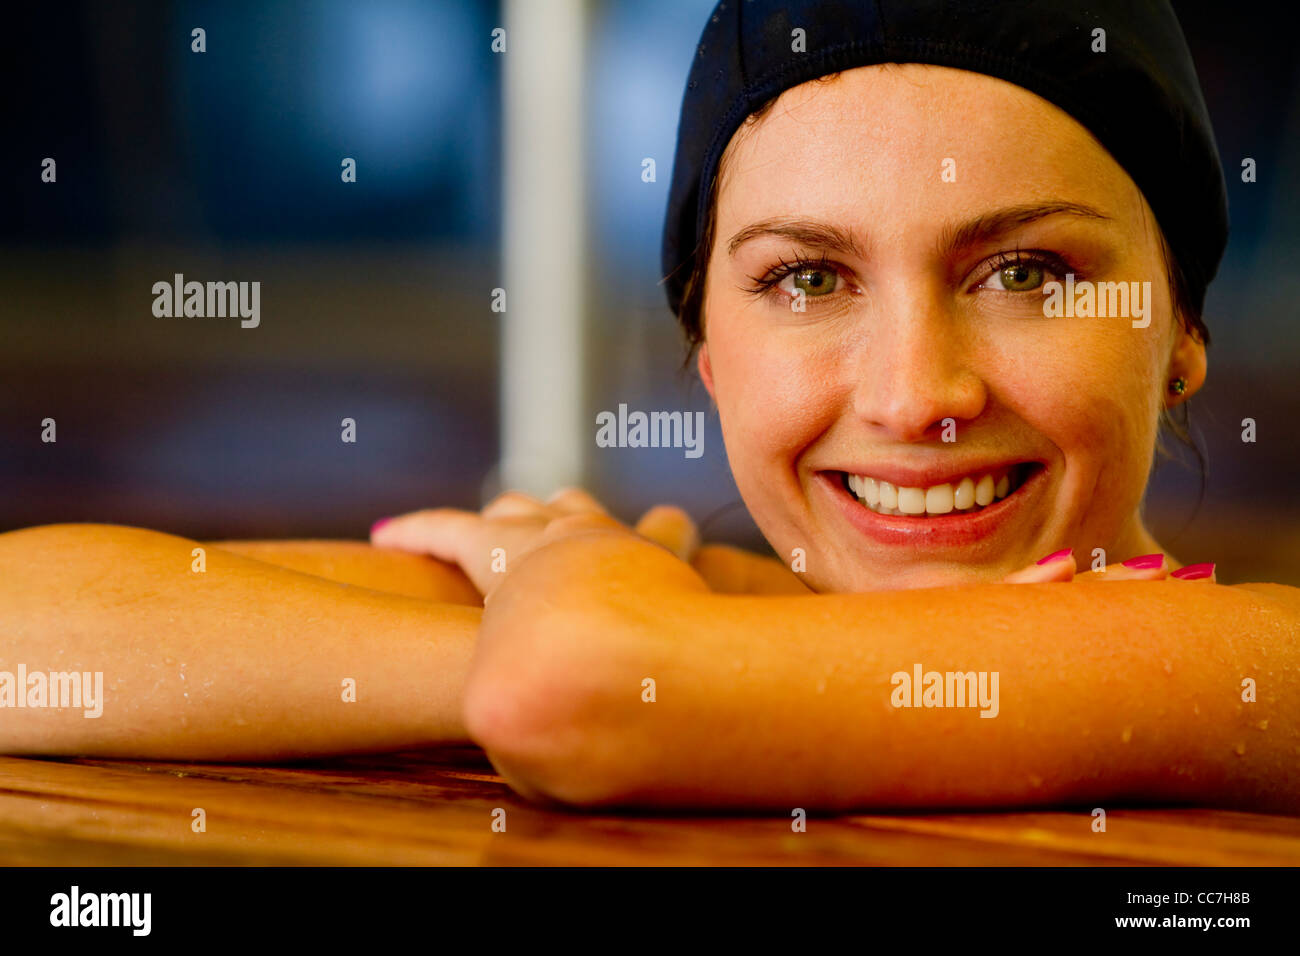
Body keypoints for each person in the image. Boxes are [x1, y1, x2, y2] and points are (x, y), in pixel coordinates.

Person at [3, 0, 1297, 814]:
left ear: (1180, 328)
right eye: (805, 278)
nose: (918, 394)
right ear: (708, 351)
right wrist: (659, 649)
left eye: (1026, 272)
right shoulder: (674, 604)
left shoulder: (1254, 661)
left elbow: (574, 685)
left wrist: (605, 628)